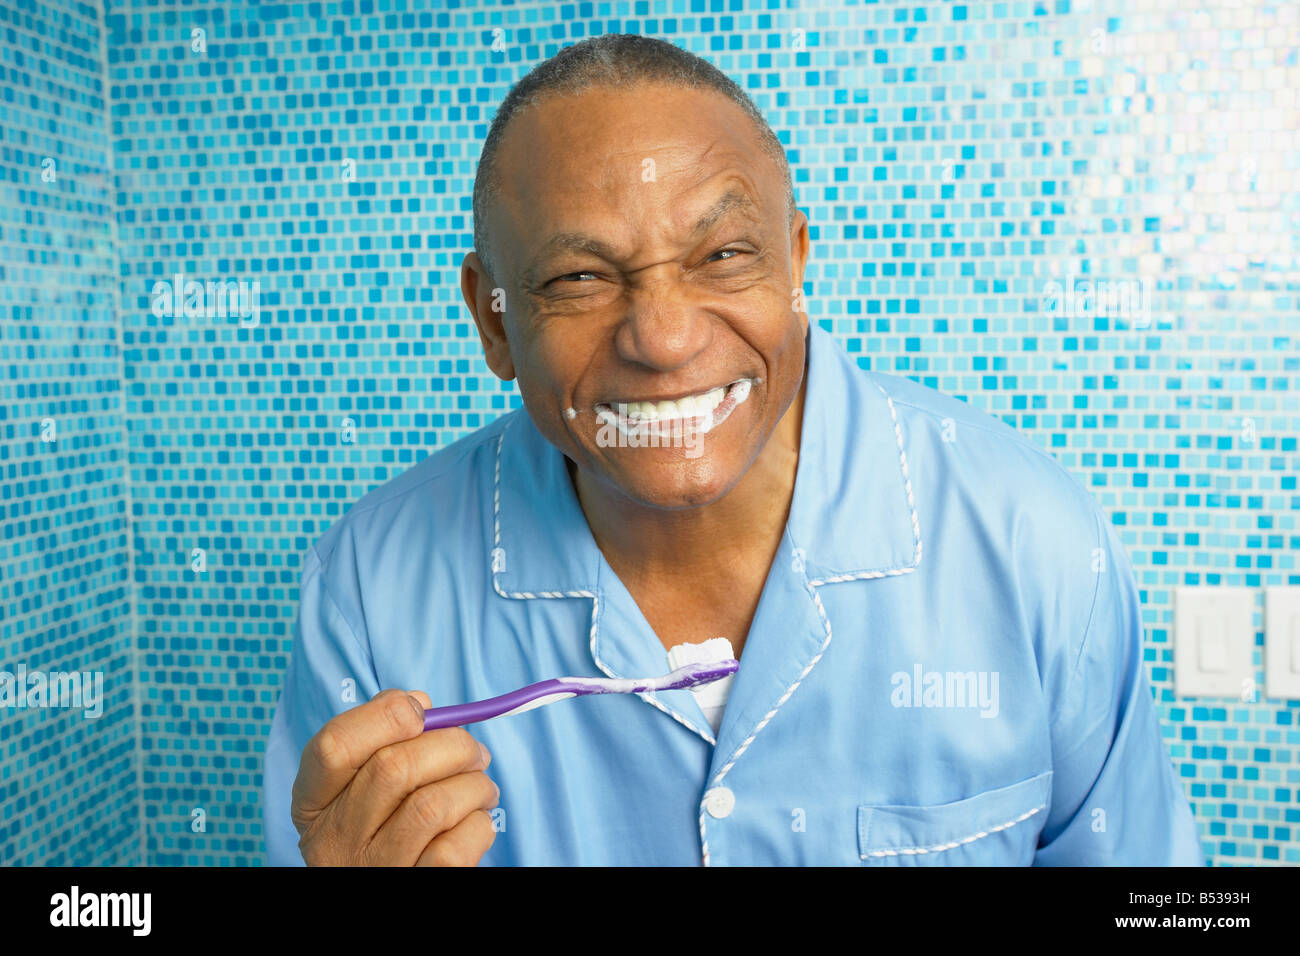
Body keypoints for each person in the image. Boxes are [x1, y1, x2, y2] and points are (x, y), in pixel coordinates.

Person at [263, 34, 1204, 866]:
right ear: (493, 320)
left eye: (723, 257)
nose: (665, 339)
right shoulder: (370, 591)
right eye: (579, 276)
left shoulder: (1033, 540)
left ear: (797, 264)